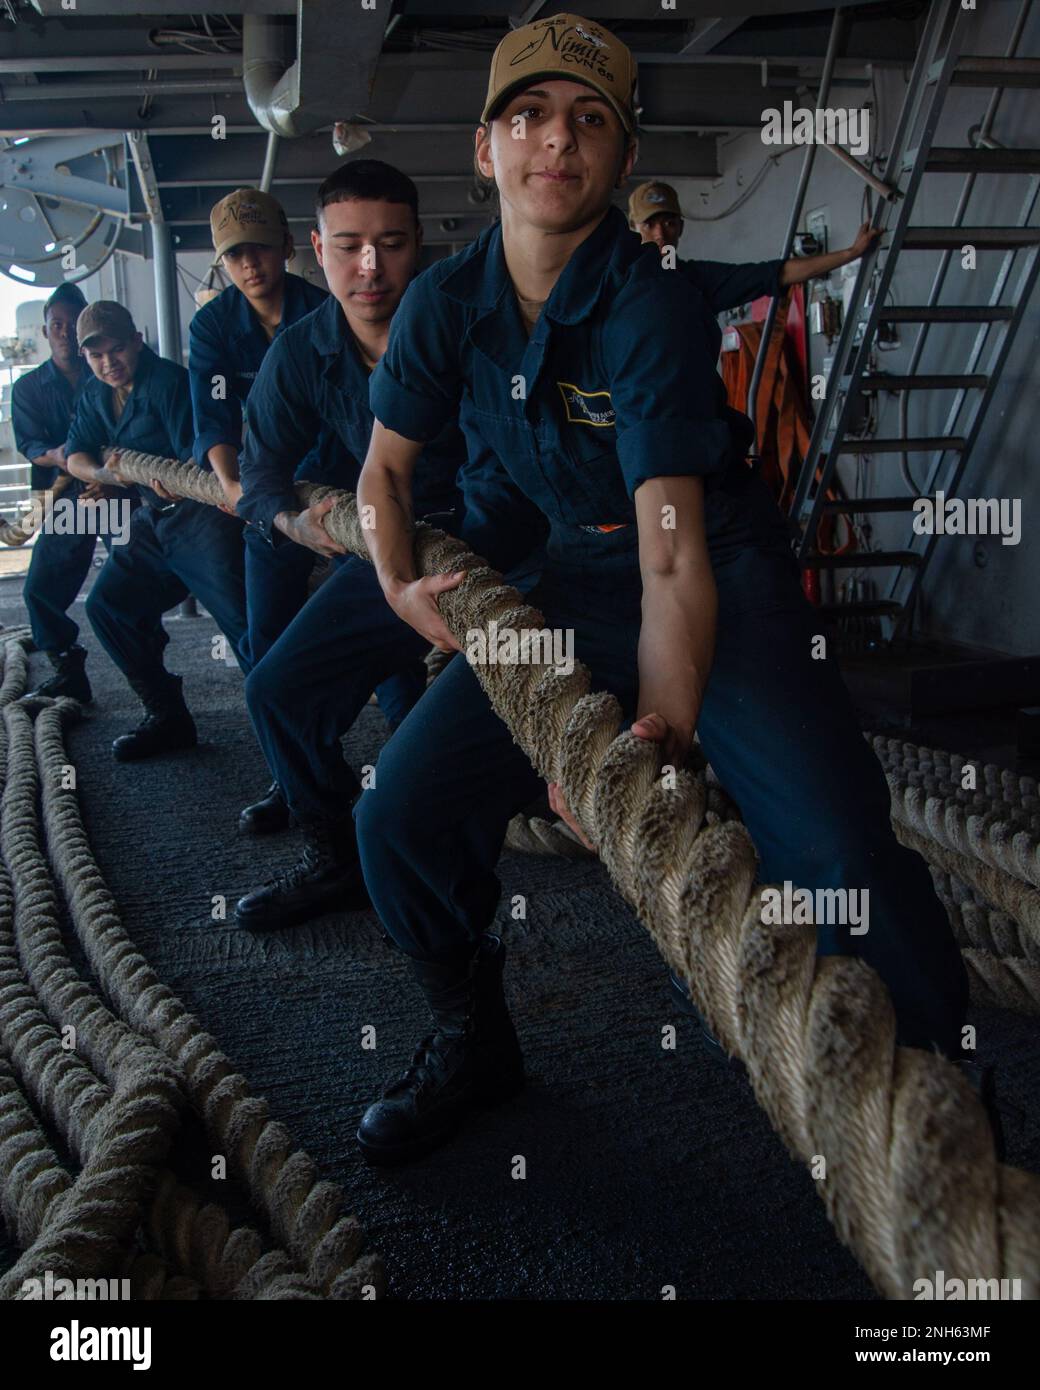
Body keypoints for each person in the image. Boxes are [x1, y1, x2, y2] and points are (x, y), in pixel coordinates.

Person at [349, 12, 971, 1166]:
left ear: (623, 160)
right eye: (527, 116)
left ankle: (950, 1111)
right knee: (397, 815)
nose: (556, 141)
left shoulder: (648, 305)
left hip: (713, 571)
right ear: (484, 146)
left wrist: (660, 734)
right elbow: (383, 473)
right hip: (578, 572)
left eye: (590, 121)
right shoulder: (444, 305)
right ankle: (471, 1035)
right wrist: (394, 580)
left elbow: (674, 556)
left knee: (833, 858)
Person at [235, 158, 545, 932]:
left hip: (501, 542)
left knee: (462, 745)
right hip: (390, 536)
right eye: (347, 246)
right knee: (276, 691)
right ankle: (333, 856)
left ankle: (477, 864)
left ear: (419, 248)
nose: (369, 268)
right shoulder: (302, 351)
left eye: (391, 243)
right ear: (315, 248)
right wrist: (293, 523)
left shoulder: (475, 329)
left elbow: (503, 486)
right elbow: (262, 465)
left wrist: (437, 568)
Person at [189, 186, 338, 833]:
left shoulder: (323, 311)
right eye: (235, 255)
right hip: (261, 495)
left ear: (286, 247)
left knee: (390, 646)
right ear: (223, 265)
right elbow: (213, 420)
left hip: (332, 492)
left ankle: (400, 775)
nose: (250, 264)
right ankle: (292, 778)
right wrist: (232, 486)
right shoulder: (212, 327)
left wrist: (335, 497)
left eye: (260, 249)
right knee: (265, 647)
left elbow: (347, 414)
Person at [65, 301, 248, 760]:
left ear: (137, 341)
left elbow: (197, 463)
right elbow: (76, 455)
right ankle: (167, 717)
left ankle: (298, 752)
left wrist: (142, 476)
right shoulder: (94, 394)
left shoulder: (169, 383)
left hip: (202, 517)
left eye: (117, 350)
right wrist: (111, 478)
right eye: (96, 355)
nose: (108, 363)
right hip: (153, 521)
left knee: (246, 626)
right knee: (108, 606)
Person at [11, 283, 109, 702]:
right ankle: (68, 669)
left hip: (114, 493)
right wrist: (55, 455)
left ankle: (156, 690)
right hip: (64, 496)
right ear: (46, 330)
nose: (66, 333)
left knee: (132, 584)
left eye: (73, 326)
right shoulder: (28, 389)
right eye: (57, 325)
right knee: (40, 589)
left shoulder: (108, 373)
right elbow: (30, 446)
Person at [627, 178, 881, 311]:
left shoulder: (698, 281)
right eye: (650, 225)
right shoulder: (612, 284)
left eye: (669, 223)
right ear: (633, 229)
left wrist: (852, 253)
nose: (661, 234)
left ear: (681, 227)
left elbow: (778, 273)